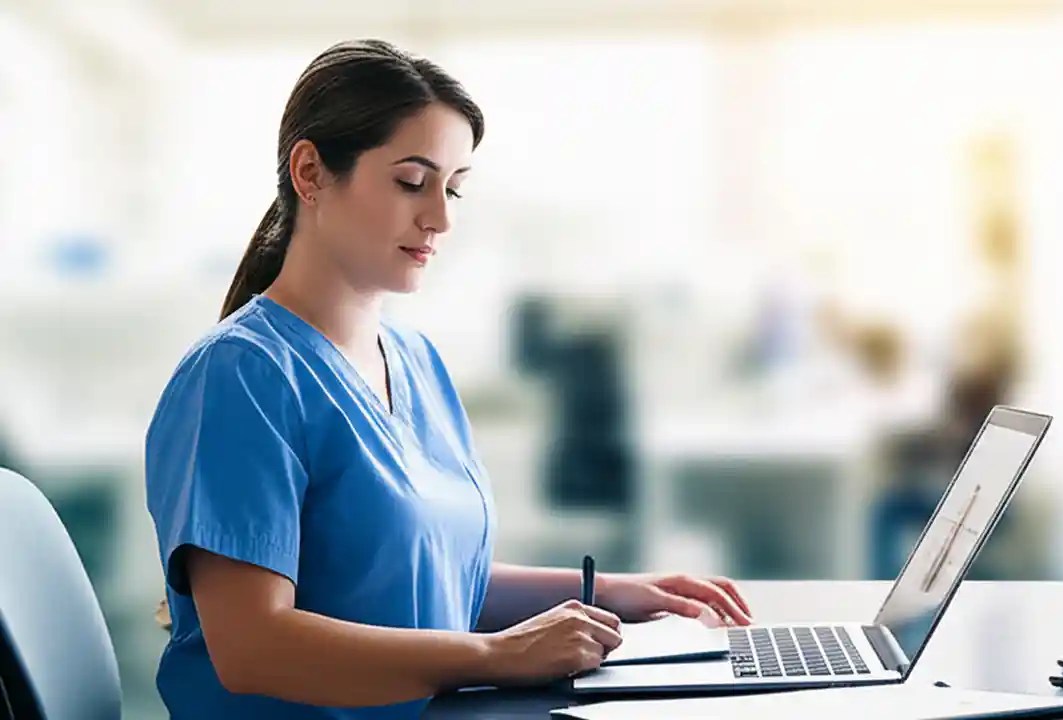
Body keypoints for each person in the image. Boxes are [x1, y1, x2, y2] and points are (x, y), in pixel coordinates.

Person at [144, 39, 753, 720]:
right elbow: (253, 647)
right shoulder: (240, 378)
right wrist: (497, 657)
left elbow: (426, 583)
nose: (440, 216)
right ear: (311, 172)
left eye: (454, 187)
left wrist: (610, 592)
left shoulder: (414, 360)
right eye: (412, 181)